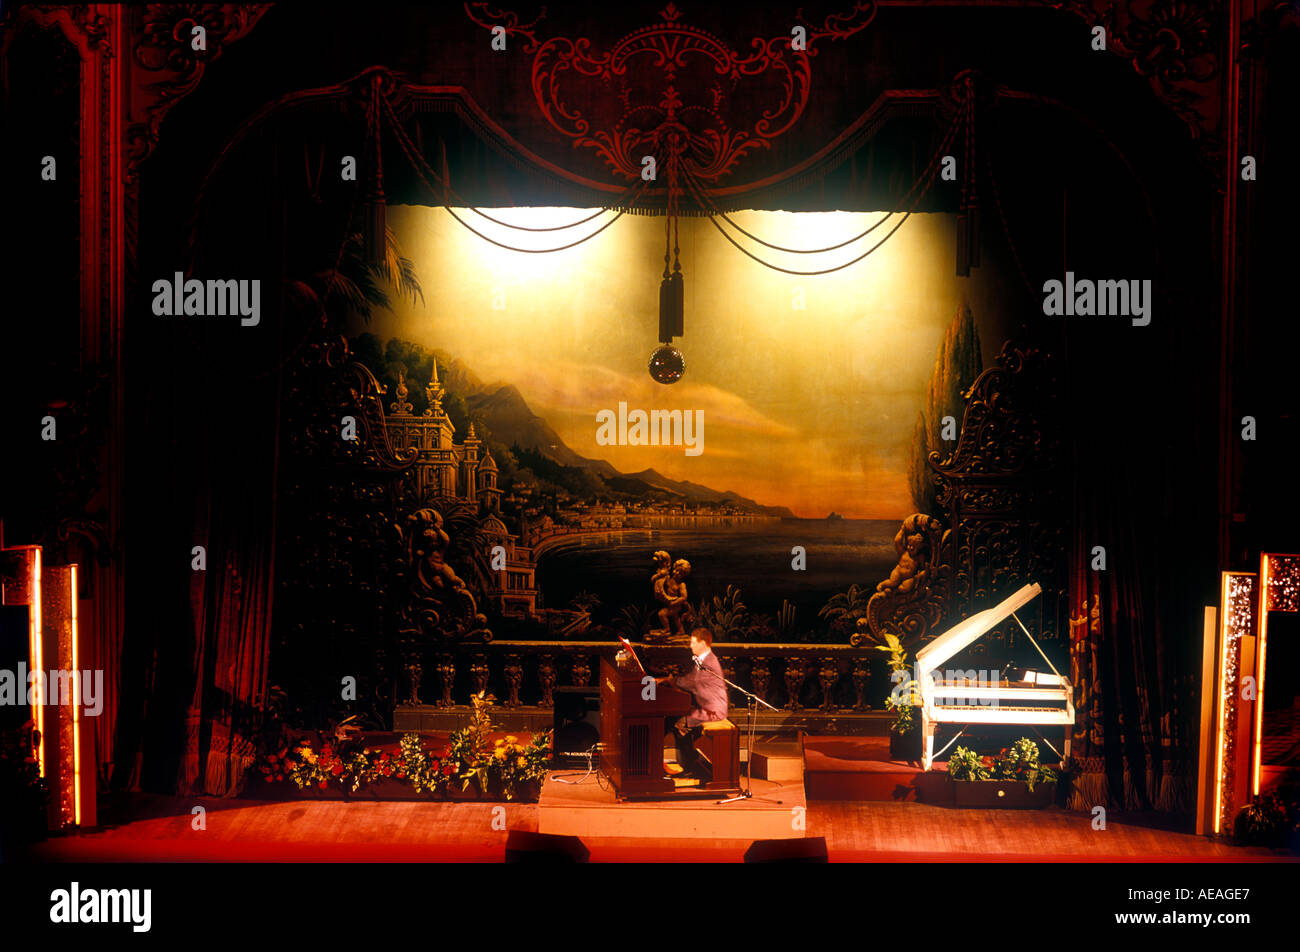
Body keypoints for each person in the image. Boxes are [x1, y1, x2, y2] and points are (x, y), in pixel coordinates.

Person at [655, 628, 727, 779]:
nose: (690, 646)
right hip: (704, 707)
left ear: (703, 643)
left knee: (680, 724)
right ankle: (655, 763)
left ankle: (694, 768)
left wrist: (667, 680)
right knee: (670, 720)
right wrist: (668, 680)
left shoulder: (709, 662)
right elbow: (691, 681)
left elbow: (691, 682)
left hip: (712, 710)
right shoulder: (703, 659)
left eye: (693, 643)